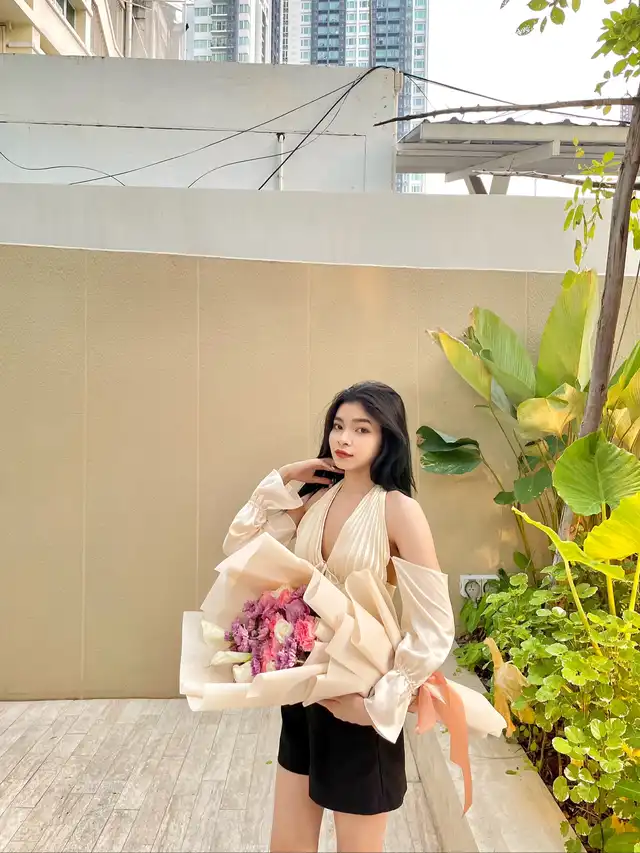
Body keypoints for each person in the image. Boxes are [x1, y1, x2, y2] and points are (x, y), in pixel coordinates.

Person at [222, 381, 455, 853]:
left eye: (362, 429)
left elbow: (435, 623)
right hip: (305, 691)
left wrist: (379, 705)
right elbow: (242, 549)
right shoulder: (315, 500)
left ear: (387, 438)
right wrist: (284, 476)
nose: (344, 439)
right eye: (338, 426)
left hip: (360, 696)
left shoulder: (399, 510)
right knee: (288, 846)